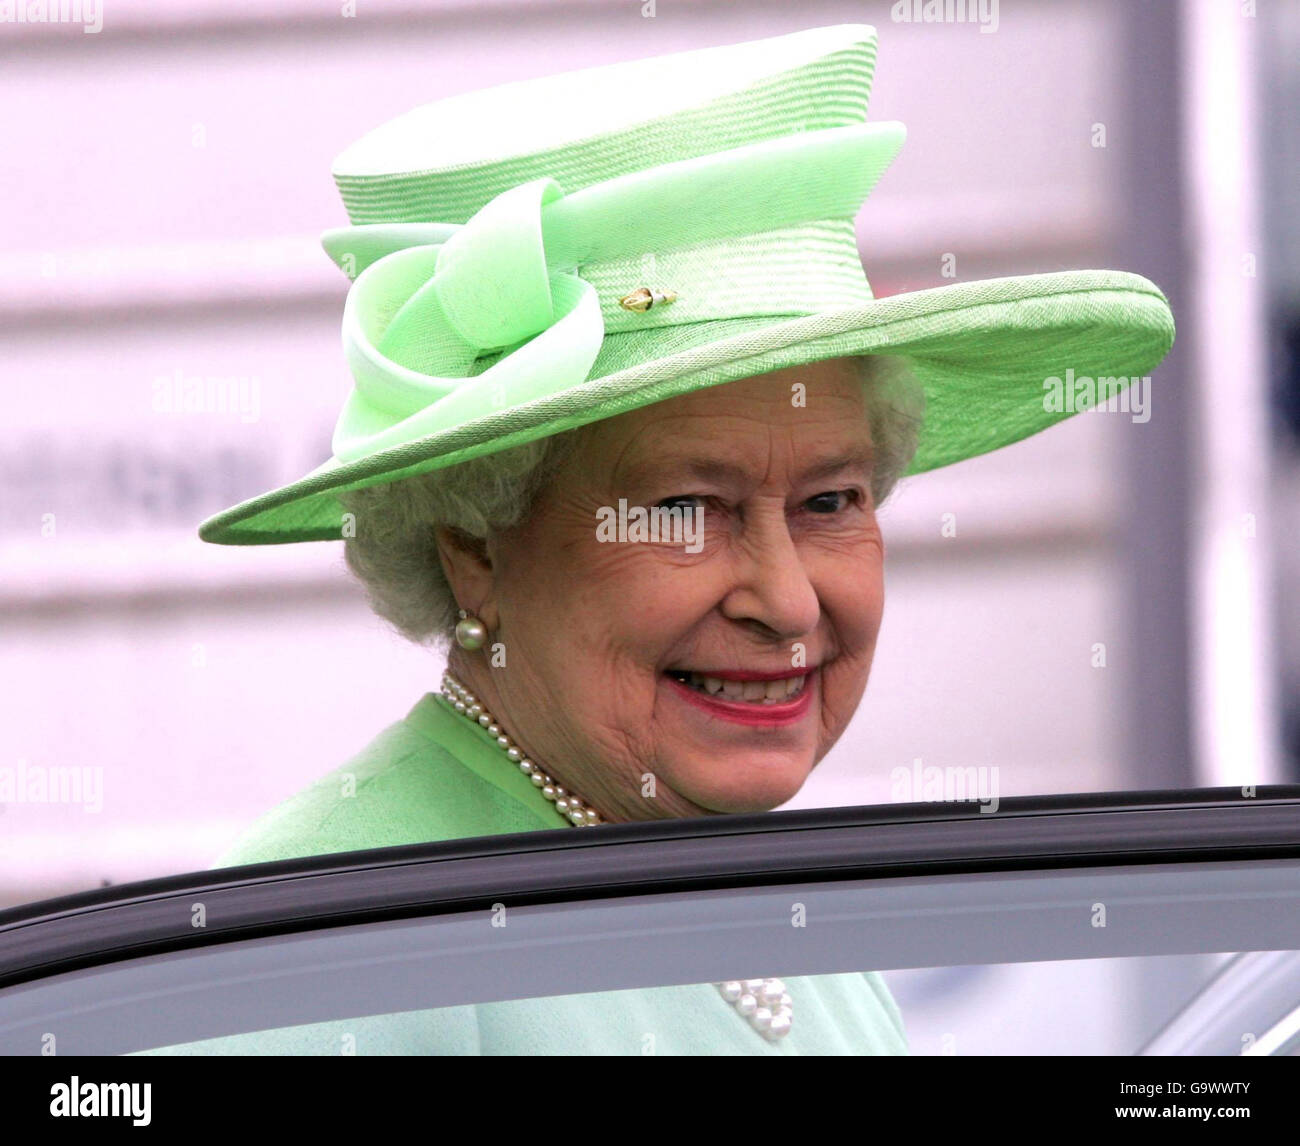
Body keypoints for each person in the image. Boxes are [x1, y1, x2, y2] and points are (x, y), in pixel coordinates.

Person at [177, 23, 1175, 1055]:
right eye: (686, 512)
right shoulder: (323, 954)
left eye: (830, 502)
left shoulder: (776, 914)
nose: (785, 604)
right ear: (472, 546)